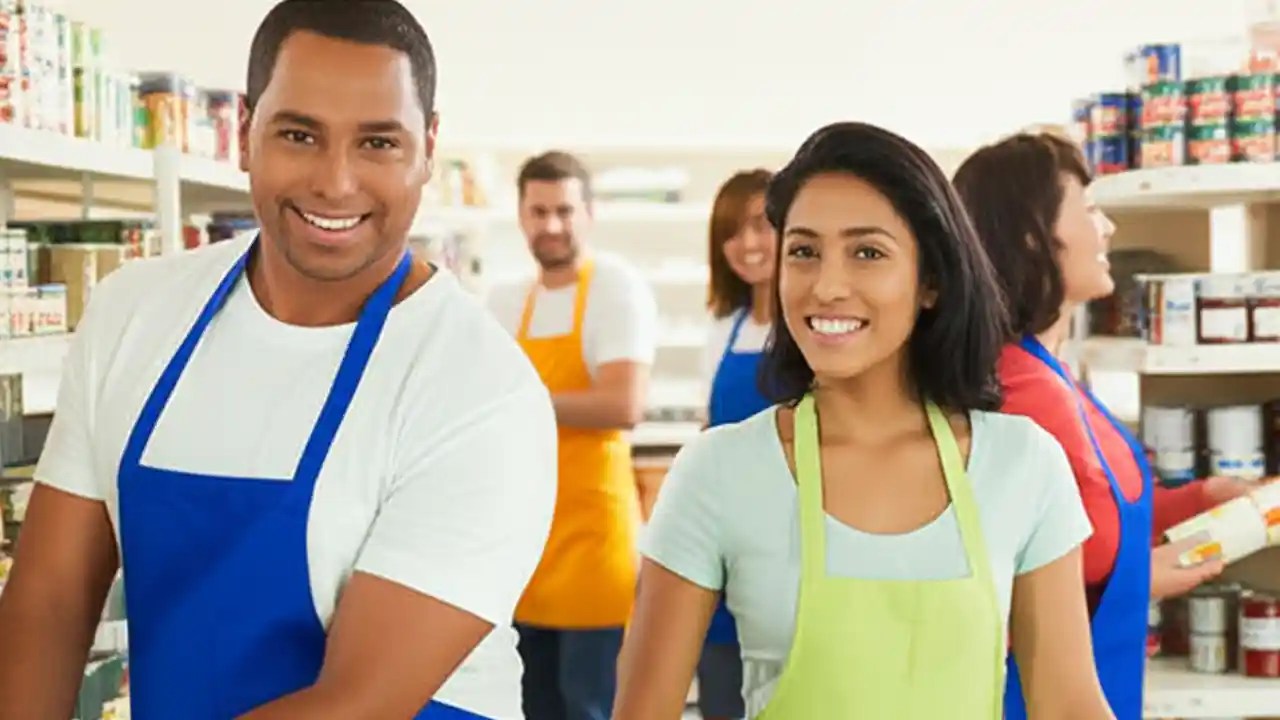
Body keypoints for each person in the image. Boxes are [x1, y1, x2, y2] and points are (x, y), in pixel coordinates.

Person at [0, 2, 557, 718]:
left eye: (378, 143)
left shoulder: (478, 389)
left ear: (427, 147)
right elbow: (45, 605)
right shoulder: (132, 317)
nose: (335, 182)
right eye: (300, 134)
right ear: (245, 130)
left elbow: (357, 702)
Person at [613, 121, 1115, 719]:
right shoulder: (717, 472)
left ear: (930, 281)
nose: (826, 285)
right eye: (803, 251)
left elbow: (1069, 706)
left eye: (867, 253)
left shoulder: (1022, 463)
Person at [953, 131, 1253, 720]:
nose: (1108, 228)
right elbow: (1018, 572)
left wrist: (1200, 499)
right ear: (1032, 238)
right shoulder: (1019, 392)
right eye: (1089, 209)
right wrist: (1154, 575)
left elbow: (1097, 518)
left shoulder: (1053, 374)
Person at [486, 150, 659, 720]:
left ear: (589, 213)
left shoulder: (616, 287)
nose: (551, 225)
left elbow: (623, 403)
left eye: (564, 210)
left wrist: (519, 402)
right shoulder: (507, 300)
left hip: (593, 540)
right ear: (520, 215)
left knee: (593, 706)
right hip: (526, 541)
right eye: (539, 211)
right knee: (531, 706)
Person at [695, 168, 774, 720]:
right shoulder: (724, 328)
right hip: (724, 556)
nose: (746, 244)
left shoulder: (816, 330)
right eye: (731, 231)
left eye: (760, 226)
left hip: (791, 555)